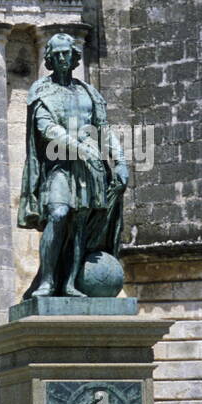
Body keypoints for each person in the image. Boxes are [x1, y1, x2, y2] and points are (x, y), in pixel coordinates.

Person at [18, 32, 129, 299]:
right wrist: (79, 148)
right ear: (49, 59)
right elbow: (46, 128)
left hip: (90, 169)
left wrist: (121, 161)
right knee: (58, 214)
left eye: (66, 53)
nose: (62, 58)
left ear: (75, 56)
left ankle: (69, 283)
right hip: (60, 166)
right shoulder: (42, 91)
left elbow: (103, 130)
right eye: (56, 54)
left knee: (80, 225)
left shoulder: (89, 92)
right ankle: (46, 281)